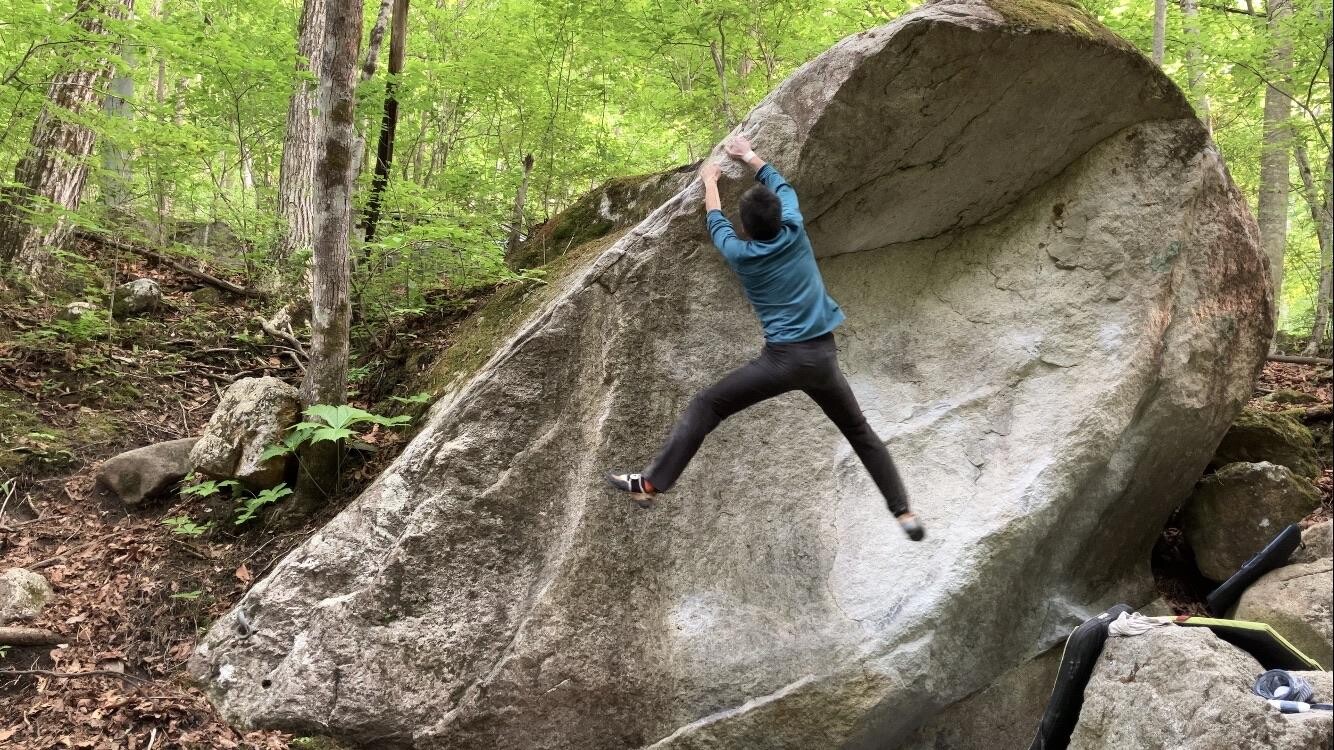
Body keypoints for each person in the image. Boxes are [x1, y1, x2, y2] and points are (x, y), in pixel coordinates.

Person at [606, 135, 925, 541]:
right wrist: (749, 155)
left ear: (746, 229)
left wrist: (709, 181)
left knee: (707, 405)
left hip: (781, 362)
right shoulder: (795, 229)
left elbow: (715, 220)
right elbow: (782, 186)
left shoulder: (741, 254)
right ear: (780, 216)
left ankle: (651, 484)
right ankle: (903, 512)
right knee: (860, 433)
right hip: (822, 359)